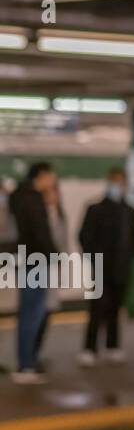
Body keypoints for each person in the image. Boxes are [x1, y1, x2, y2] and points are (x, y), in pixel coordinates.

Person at [77, 168, 134, 366]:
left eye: (121, 182)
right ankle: (89, 348)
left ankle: (113, 345)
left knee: (115, 308)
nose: (118, 186)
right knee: (97, 309)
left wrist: (129, 257)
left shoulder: (129, 211)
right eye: (115, 182)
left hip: (121, 268)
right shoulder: (95, 209)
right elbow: (84, 236)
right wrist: (94, 258)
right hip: (101, 268)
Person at [10, 163, 58, 384]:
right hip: (37, 261)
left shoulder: (18, 196)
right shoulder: (34, 200)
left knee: (28, 313)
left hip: (25, 260)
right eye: (51, 177)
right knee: (32, 314)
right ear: (42, 176)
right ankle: (26, 365)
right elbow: (41, 233)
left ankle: (27, 361)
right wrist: (55, 256)